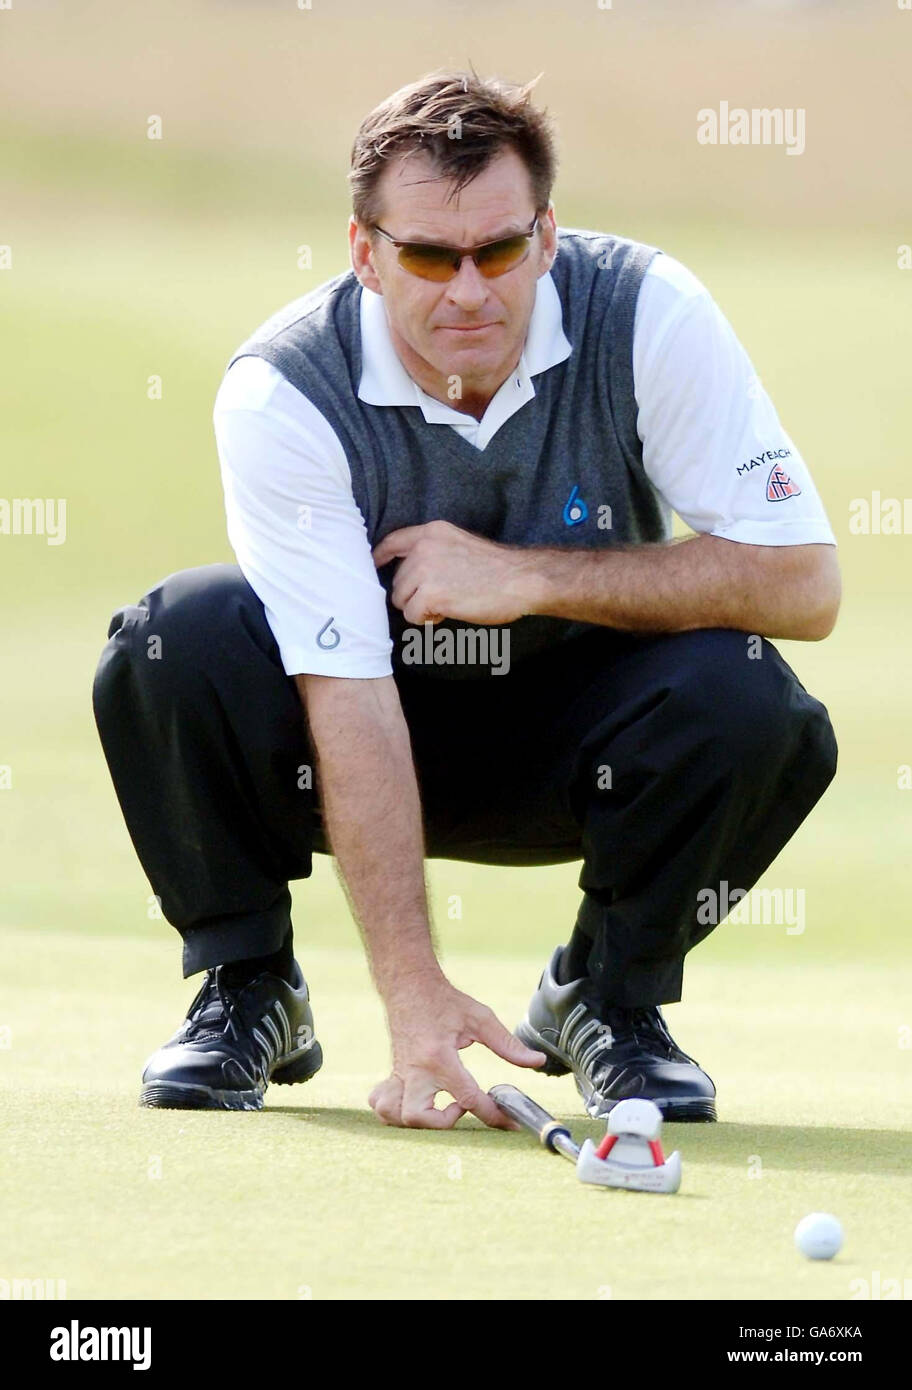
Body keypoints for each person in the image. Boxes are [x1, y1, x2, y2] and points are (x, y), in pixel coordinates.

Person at [92, 70, 839, 1129]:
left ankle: (607, 997)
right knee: (174, 637)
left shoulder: (649, 310)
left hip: (579, 744)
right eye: (430, 257)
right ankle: (249, 988)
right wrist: (413, 996)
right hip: (357, 735)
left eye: (499, 250)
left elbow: (804, 583)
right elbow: (342, 685)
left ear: (545, 234)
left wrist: (525, 575)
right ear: (364, 252)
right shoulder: (283, 390)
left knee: (753, 694)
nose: (470, 291)